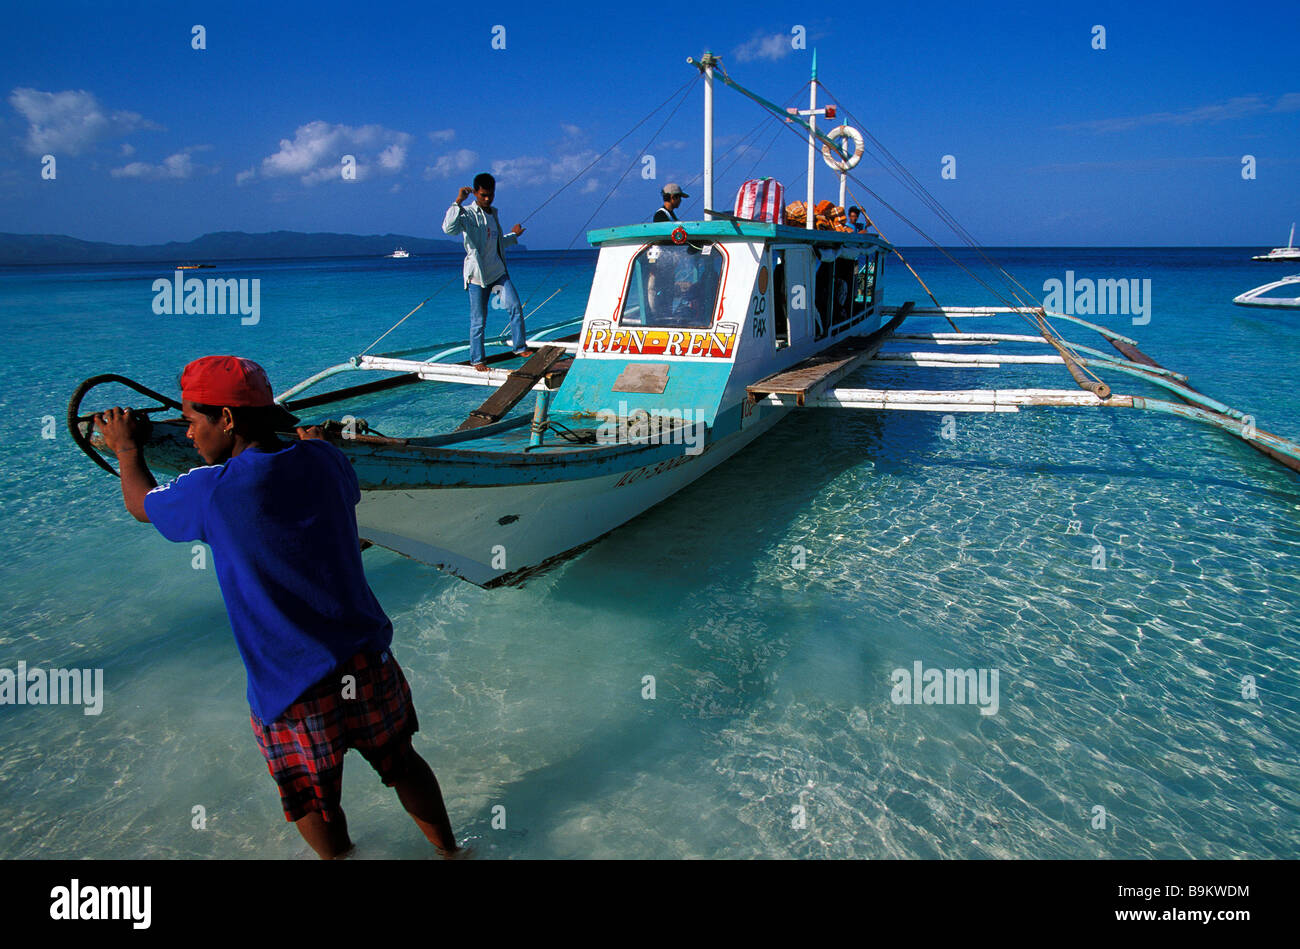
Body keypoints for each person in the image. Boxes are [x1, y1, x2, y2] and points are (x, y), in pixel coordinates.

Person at [93, 355, 461, 860]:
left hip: (293, 684)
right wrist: (310, 445)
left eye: (192, 421)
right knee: (402, 761)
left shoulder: (210, 491)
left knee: (312, 798)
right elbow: (325, 478)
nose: (186, 435)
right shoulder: (326, 461)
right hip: (367, 659)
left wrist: (128, 449)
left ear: (226, 419)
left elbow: (142, 504)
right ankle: (452, 854)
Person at [443, 172, 529, 371]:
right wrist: (458, 201)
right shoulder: (467, 213)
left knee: (515, 306)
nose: (487, 199)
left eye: (490, 195)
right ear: (475, 193)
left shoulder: (494, 214)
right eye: (483, 195)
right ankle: (477, 360)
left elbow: (497, 242)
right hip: (477, 277)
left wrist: (514, 235)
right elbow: (448, 229)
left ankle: (519, 347)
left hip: (498, 272)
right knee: (479, 321)